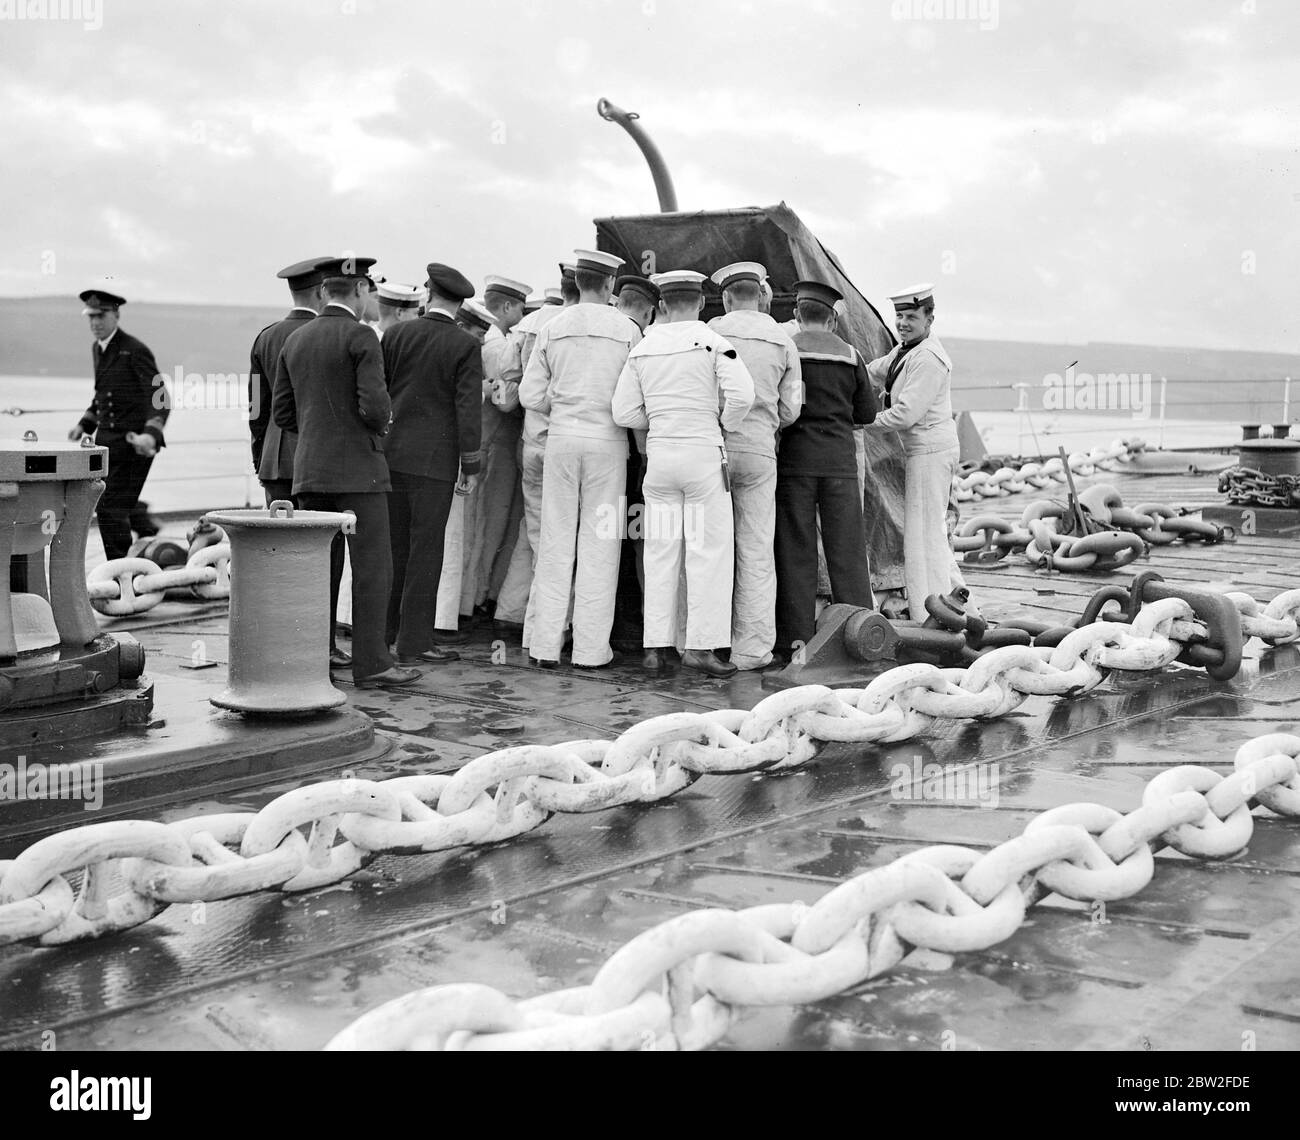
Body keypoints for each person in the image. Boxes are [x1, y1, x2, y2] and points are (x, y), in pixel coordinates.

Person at [272, 255, 418, 689]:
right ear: (357, 291)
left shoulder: (295, 339)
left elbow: (282, 412)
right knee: (373, 567)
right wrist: (374, 428)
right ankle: (372, 664)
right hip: (360, 474)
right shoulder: (361, 336)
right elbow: (375, 407)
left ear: (322, 292)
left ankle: (316, 658)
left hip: (310, 474)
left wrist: (319, 435)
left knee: (321, 568)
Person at [612, 269, 754, 677]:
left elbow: (623, 411)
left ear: (661, 306)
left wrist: (656, 421)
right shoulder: (714, 342)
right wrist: (723, 421)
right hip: (703, 455)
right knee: (708, 553)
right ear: (702, 303)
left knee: (659, 553)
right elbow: (743, 395)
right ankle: (700, 648)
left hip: (660, 458)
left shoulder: (643, 348)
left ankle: (655, 649)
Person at [519, 249, 638, 668]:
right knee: (599, 546)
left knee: (554, 542)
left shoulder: (554, 326)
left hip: (562, 442)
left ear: (579, 280)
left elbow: (529, 395)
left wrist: (564, 402)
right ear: (609, 285)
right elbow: (633, 397)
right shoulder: (627, 329)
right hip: (608, 444)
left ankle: (545, 646)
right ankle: (590, 651)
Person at [381, 263, 484, 666]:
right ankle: (415, 642)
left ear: (428, 293)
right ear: (460, 304)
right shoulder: (464, 346)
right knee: (426, 552)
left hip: (391, 457)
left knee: (393, 550)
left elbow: (381, 392)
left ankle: (383, 635)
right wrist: (470, 465)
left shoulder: (395, 334)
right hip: (436, 465)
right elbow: (467, 410)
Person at [774, 280, 877, 660]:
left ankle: (795, 639)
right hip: (839, 466)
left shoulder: (788, 350)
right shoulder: (851, 356)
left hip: (795, 465)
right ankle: (861, 631)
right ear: (832, 319)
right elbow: (866, 414)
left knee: (796, 549)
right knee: (847, 551)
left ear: (798, 316)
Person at [708, 262, 802, 670]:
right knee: (756, 549)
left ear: (727, 297)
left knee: (708, 547)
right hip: (761, 450)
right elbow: (791, 408)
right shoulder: (782, 338)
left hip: (714, 449)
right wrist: (765, 424)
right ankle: (752, 649)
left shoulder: (709, 332)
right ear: (761, 296)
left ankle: (703, 644)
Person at [865, 283, 967, 620]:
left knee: (926, 538)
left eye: (911, 316)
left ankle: (936, 613)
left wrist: (859, 421)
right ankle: (956, 601)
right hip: (922, 452)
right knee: (925, 535)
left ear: (930, 318)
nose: (903, 322)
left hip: (931, 453)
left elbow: (905, 413)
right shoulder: (906, 350)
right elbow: (873, 371)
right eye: (899, 316)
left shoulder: (928, 359)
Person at [494, 266, 577, 636]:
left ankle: (512, 611)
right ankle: (550, 625)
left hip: (532, 442)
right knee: (561, 538)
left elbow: (507, 391)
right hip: (568, 443)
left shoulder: (529, 326)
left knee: (533, 530)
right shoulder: (583, 323)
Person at [69, 289, 170, 562]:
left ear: (116, 315)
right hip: (107, 443)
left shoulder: (134, 350)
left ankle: (120, 571)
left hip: (134, 444)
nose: (95, 322)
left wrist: (151, 434)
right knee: (114, 500)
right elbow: (103, 394)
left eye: (101, 316)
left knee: (110, 507)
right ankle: (145, 526)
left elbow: (160, 397)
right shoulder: (98, 348)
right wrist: (84, 425)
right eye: (91, 317)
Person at [460, 275, 531, 623]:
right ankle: (476, 598)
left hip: (484, 446)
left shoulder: (485, 342)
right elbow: (505, 401)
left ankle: (471, 598)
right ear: (505, 307)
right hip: (492, 447)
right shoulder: (497, 346)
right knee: (487, 527)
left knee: (480, 527)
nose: (522, 315)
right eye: (519, 307)